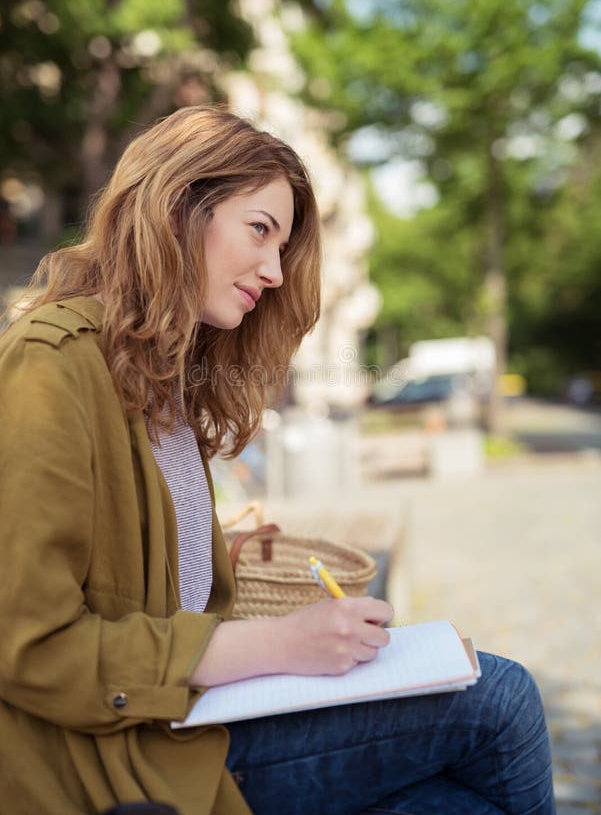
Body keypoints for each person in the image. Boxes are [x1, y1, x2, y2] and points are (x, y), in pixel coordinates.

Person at [0, 106, 555, 815]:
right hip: (121, 754)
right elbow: (30, 644)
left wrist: (204, 554)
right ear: (176, 208)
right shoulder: (49, 365)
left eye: (281, 245)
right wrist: (278, 644)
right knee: (497, 698)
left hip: (189, 720)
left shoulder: (160, 376)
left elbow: (114, 573)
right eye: (259, 230)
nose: (271, 270)